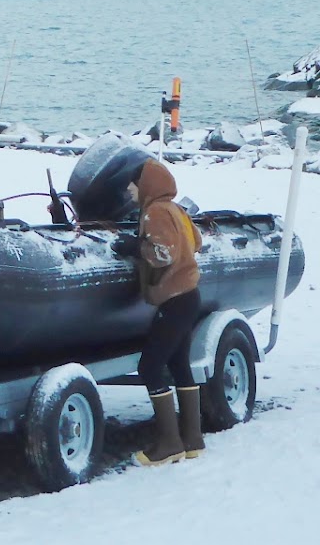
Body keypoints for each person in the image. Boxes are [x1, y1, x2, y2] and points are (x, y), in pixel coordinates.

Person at [112, 158, 204, 467]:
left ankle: (169, 443)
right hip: (190, 296)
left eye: (132, 183)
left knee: (150, 367)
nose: (129, 189)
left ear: (146, 185)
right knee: (179, 363)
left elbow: (163, 254)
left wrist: (134, 247)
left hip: (174, 299)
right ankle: (192, 439)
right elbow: (197, 242)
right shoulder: (176, 209)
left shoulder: (155, 213)